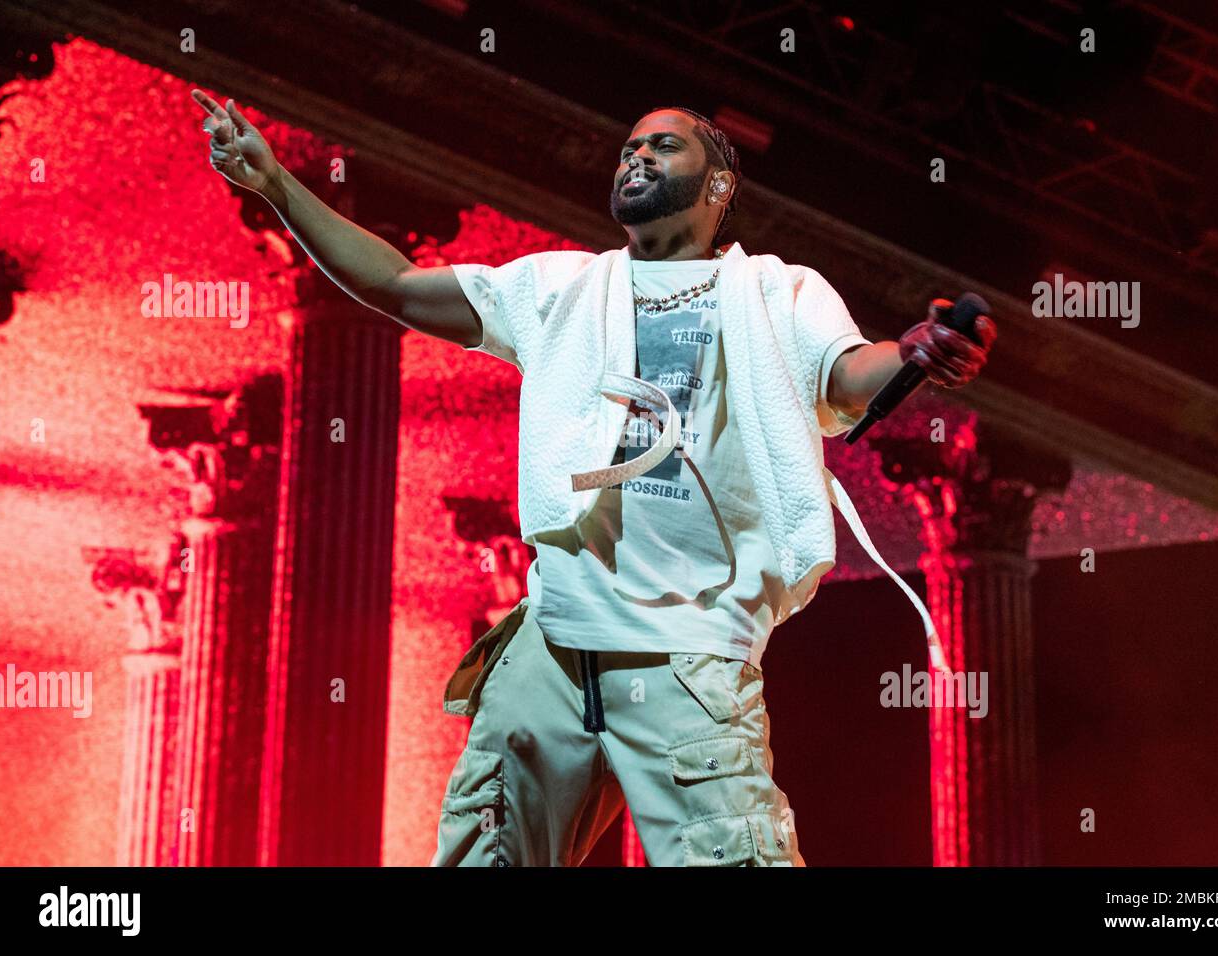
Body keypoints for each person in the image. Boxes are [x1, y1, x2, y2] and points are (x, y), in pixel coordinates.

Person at [191, 92, 997, 866]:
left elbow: (850, 376)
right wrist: (275, 187)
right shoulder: (559, 288)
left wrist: (917, 351)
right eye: (628, 147)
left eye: (662, 143)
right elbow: (393, 285)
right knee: (485, 851)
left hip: (688, 648)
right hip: (555, 634)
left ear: (718, 185)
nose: (636, 154)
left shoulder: (776, 292)